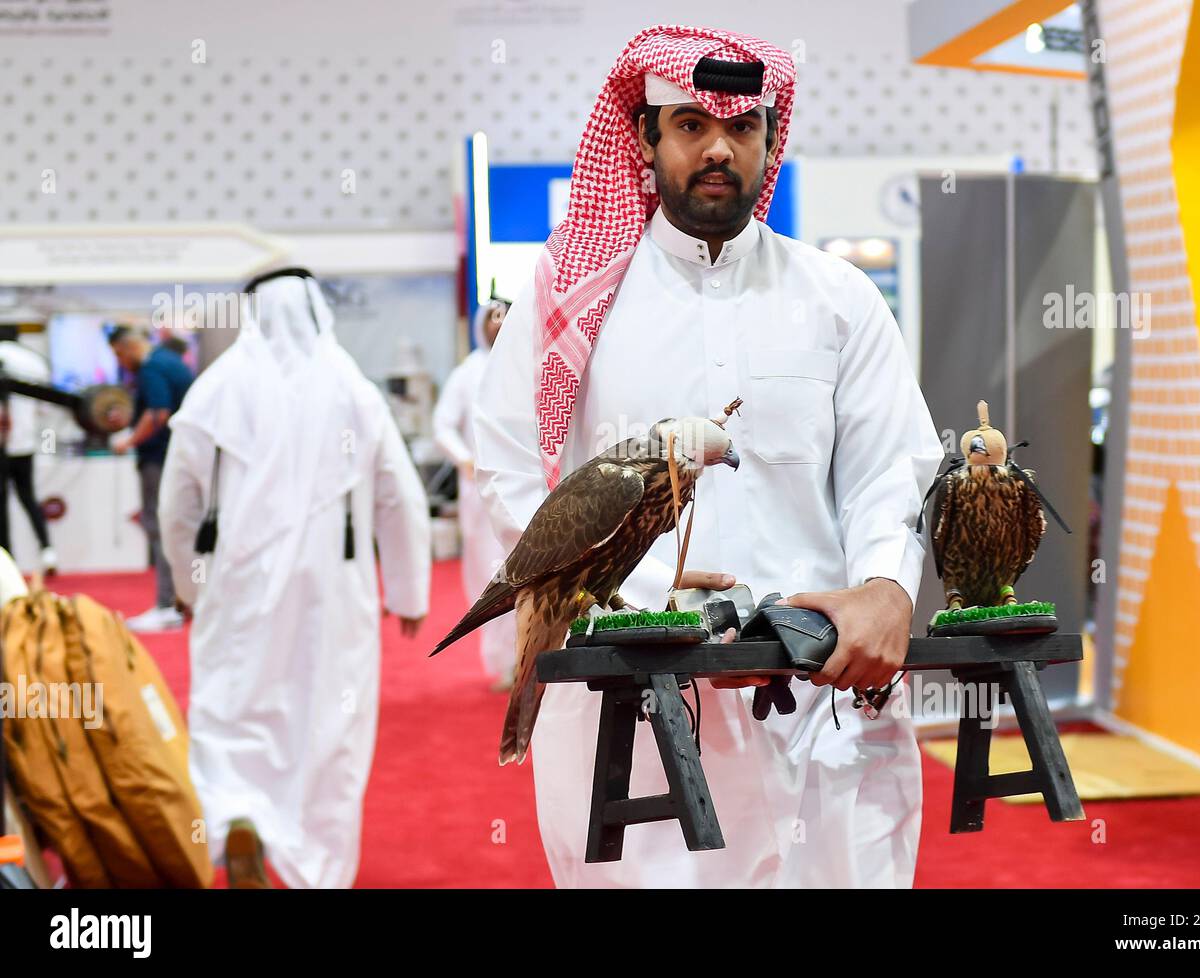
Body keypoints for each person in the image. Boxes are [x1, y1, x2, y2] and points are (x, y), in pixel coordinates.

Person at [473, 25, 944, 888]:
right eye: (690, 123)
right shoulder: (575, 296)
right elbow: (509, 468)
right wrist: (623, 605)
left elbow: (891, 467)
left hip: (818, 691)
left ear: (771, 137)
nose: (719, 147)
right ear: (647, 136)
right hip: (631, 692)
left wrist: (884, 587)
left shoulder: (837, 297)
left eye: (743, 126)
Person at [157, 268, 431, 889]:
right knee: (328, 719)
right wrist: (409, 590)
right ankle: (315, 865)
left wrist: (188, 581)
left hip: (237, 582)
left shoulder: (215, 388)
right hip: (336, 588)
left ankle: (239, 818)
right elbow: (400, 496)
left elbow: (177, 502)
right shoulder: (354, 391)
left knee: (232, 707)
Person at [432, 297, 515, 691]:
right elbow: (442, 426)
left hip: (522, 487)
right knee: (489, 575)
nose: (500, 323)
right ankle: (504, 662)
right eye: (493, 317)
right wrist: (464, 459)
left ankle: (532, 656)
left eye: (506, 316)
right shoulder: (467, 374)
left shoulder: (526, 364)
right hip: (480, 495)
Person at [108, 324, 194, 632]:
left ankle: (167, 605)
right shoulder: (168, 361)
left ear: (128, 346)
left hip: (160, 459)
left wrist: (127, 441)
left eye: (118, 354)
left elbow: (158, 414)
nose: (120, 362)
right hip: (179, 458)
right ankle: (182, 601)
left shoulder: (151, 367)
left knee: (161, 529)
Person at [0, 330, 57, 572]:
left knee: (1, 504)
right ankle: (47, 551)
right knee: (29, 498)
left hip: (4, 444)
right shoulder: (34, 361)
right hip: (25, 443)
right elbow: (44, 410)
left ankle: (7, 559)